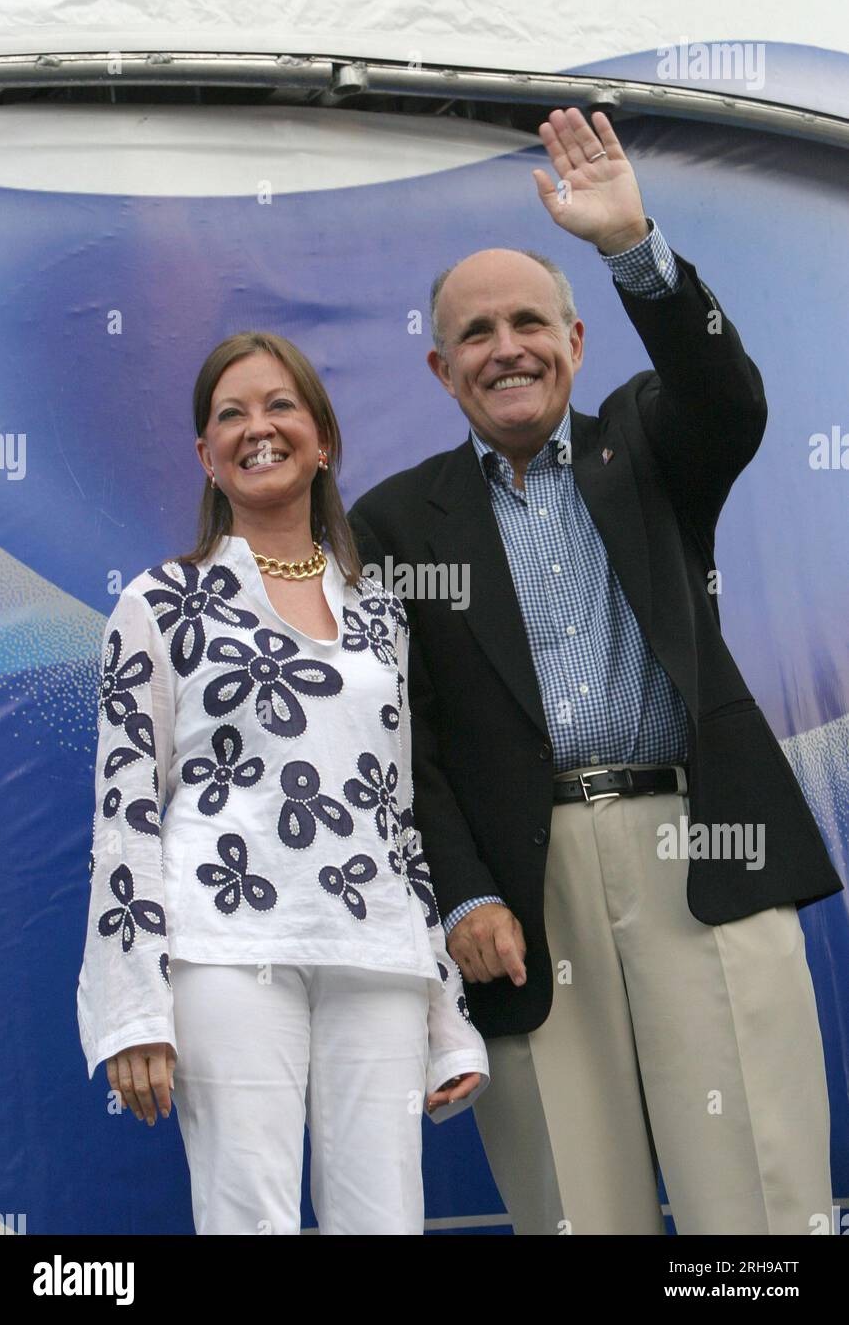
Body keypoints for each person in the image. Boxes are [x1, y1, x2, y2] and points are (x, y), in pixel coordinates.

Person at [347, 106, 842, 1235]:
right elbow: (399, 738)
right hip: (523, 886)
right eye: (474, 333)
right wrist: (462, 888)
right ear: (439, 368)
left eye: (529, 322)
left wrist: (631, 249)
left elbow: (729, 395)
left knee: (754, 1197)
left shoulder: (650, 443)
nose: (504, 347)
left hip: (698, 846)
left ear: (575, 343)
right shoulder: (394, 521)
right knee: (577, 1204)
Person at [76, 332, 489, 1236]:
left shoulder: (380, 612)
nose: (257, 428)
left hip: (377, 951)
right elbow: (125, 811)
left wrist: (447, 1013)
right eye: (231, 415)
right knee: (247, 1216)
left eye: (280, 406)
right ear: (204, 457)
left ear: (323, 438)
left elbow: (398, 818)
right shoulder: (158, 602)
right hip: (226, 947)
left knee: (386, 1221)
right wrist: (133, 1004)